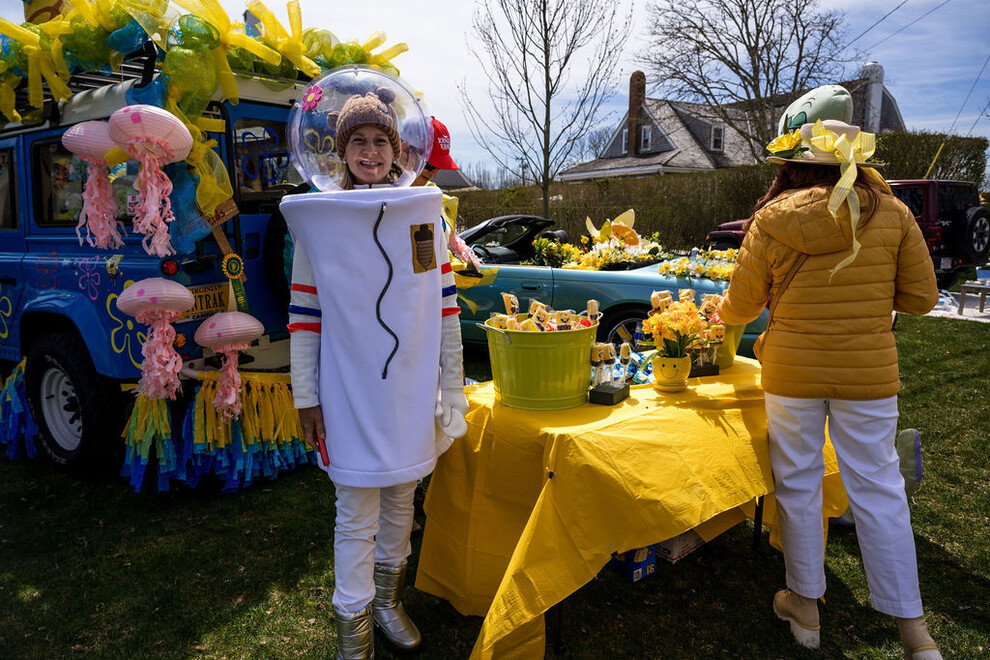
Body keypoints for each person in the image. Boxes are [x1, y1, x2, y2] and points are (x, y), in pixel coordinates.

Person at [718, 111, 942, 659]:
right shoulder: (895, 214)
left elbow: (741, 308)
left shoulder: (771, 218)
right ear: (858, 164)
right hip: (868, 373)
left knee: (797, 483)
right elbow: (922, 299)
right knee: (881, 491)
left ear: (794, 166)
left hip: (792, 371)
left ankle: (805, 607)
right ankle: (915, 634)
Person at [284, 88, 468, 659]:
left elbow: (444, 308)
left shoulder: (424, 217)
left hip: (410, 393)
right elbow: (305, 316)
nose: (369, 151)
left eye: (379, 141)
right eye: (357, 141)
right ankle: (353, 632)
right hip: (348, 394)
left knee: (401, 500)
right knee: (355, 508)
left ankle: (388, 602)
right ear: (341, 152)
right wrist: (307, 395)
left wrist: (452, 386)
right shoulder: (320, 223)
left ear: (397, 150)